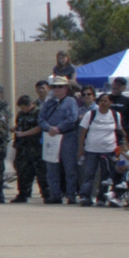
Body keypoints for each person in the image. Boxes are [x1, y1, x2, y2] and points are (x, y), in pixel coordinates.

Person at [39, 76, 82, 205]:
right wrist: (48, 128)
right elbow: (41, 118)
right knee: (52, 167)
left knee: (69, 167)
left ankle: (71, 194)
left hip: (67, 136)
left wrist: (59, 128)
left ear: (67, 88)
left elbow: (73, 118)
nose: (57, 89)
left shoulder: (71, 101)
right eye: (55, 86)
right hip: (51, 137)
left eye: (60, 86)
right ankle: (55, 194)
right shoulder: (49, 102)